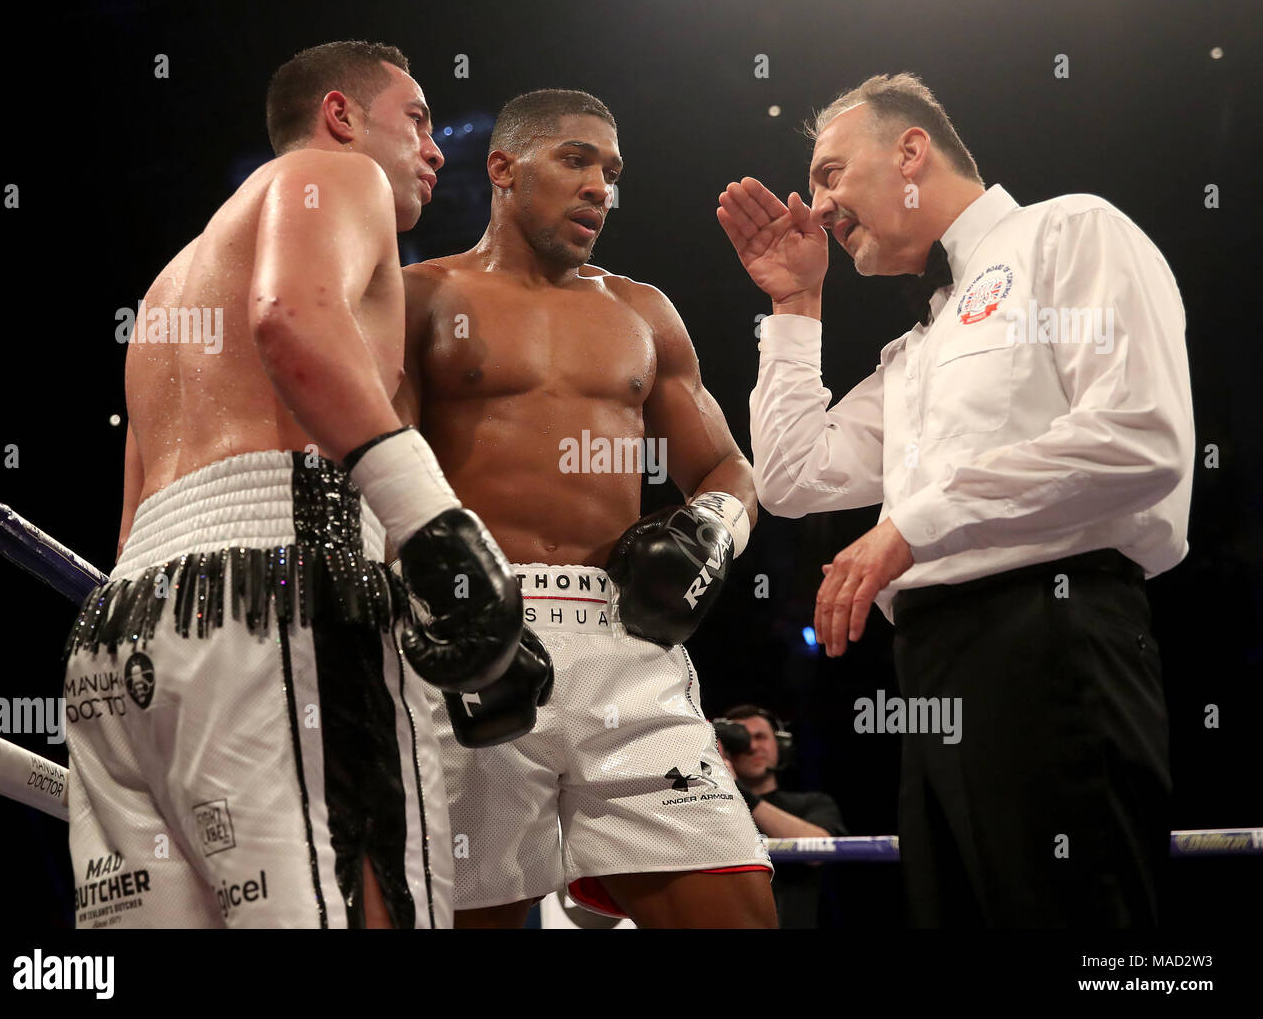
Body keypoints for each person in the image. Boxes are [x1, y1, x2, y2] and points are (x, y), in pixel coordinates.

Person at [63, 41, 526, 929]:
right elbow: (293, 322)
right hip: (275, 599)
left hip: (121, 640)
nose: (436, 150)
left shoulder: (169, 287)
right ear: (341, 117)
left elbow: (133, 524)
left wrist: (431, 605)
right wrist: (439, 531)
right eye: (418, 120)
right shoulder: (331, 176)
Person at [718, 73, 1193, 928]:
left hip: (1054, 636)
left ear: (911, 151)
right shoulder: (920, 343)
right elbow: (791, 477)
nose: (818, 205)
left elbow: (1142, 433)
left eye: (830, 172)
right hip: (934, 669)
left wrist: (912, 525)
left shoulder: (1069, 229)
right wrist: (794, 305)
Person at [397, 89, 776, 928]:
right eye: (575, 160)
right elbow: (366, 465)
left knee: (741, 911)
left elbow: (725, 467)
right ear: (503, 167)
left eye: (611, 171)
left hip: (624, 641)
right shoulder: (417, 296)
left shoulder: (642, 311)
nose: (600, 187)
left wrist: (710, 534)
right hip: (477, 636)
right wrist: (426, 601)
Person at [719, 705, 847, 928]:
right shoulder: (714, 812)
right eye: (741, 739)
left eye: (760, 737)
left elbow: (818, 848)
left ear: (781, 745)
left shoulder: (812, 804)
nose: (752, 746)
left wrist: (736, 789)